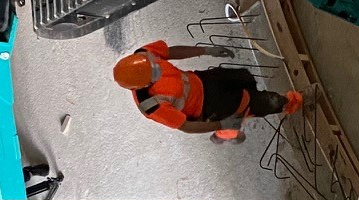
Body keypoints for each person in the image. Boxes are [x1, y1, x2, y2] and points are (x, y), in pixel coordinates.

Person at [112, 41, 307, 142]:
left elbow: (171, 52)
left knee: (245, 78)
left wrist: (205, 50)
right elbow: (186, 126)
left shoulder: (144, 55)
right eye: (154, 73)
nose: (158, 68)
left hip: (203, 80)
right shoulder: (151, 105)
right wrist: (221, 123)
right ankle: (290, 102)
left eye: (154, 65)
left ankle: (253, 107)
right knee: (252, 101)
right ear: (143, 86)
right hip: (207, 106)